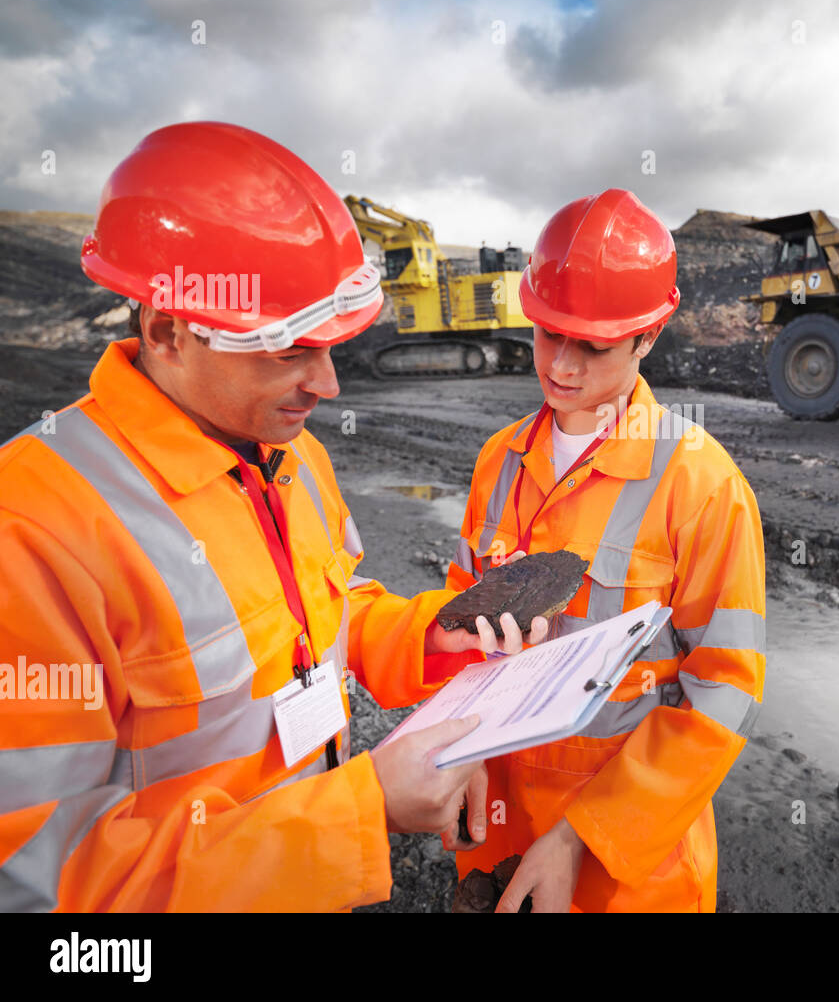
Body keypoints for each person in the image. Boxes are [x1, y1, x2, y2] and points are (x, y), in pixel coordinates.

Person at [0, 122, 543, 912]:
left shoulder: (291, 455)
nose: (327, 383)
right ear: (168, 329)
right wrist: (361, 813)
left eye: (330, 345)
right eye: (289, 348)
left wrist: (429, 635)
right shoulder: (32, 528)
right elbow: (51, 896)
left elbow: (326, 614)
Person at [442, 188, 766, 912]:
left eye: (593, 345)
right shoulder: (498, 462)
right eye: (549, 333)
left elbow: (725, 690)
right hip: (493, 834)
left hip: (625, 871)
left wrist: (583, 835)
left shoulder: (703, 484)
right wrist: (457, 754)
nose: (561, 364)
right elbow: (462, 631)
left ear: (648, 336)